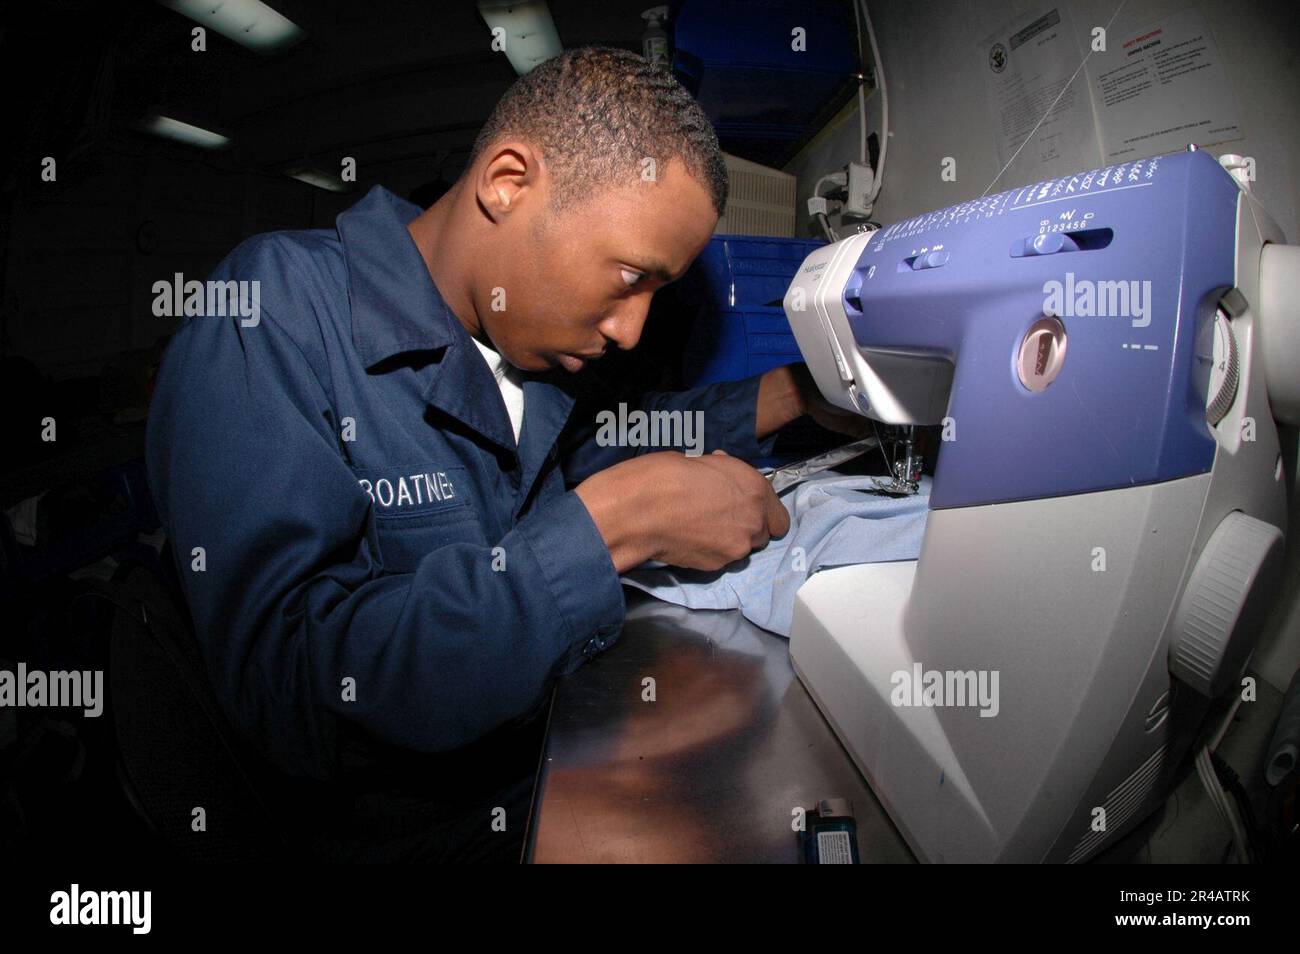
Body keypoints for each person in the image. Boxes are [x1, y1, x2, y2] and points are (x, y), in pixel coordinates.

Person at [145, 46, 858, 862]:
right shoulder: (272, 315)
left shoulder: (523, 343)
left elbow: (616, 439)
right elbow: (293, 692)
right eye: (630, 276)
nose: (632, 329)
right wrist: (614, 529)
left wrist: (793, 398)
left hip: (541, 774)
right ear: (508, 183)